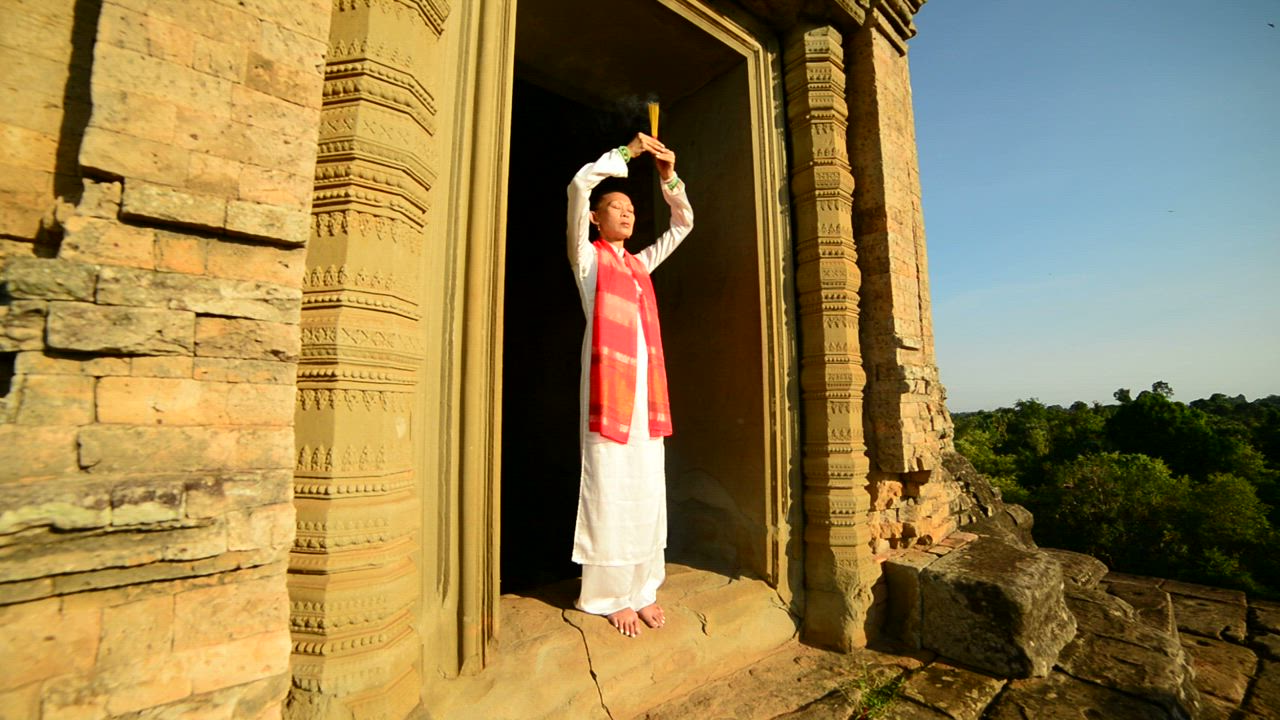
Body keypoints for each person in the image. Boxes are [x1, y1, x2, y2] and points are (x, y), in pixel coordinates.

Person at [566, 133, 693, 638]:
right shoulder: (588, 260)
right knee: (610, 484)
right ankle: (607, 595)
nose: (626, 213)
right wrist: (626, 156)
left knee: (645, 485)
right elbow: (579, 185)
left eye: (631, 209)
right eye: (616, 207)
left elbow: (683, 224)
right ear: (597, 219)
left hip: (645, 394)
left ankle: (642, 588)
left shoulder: (640, 265)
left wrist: (668, 177)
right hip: (606, 392)